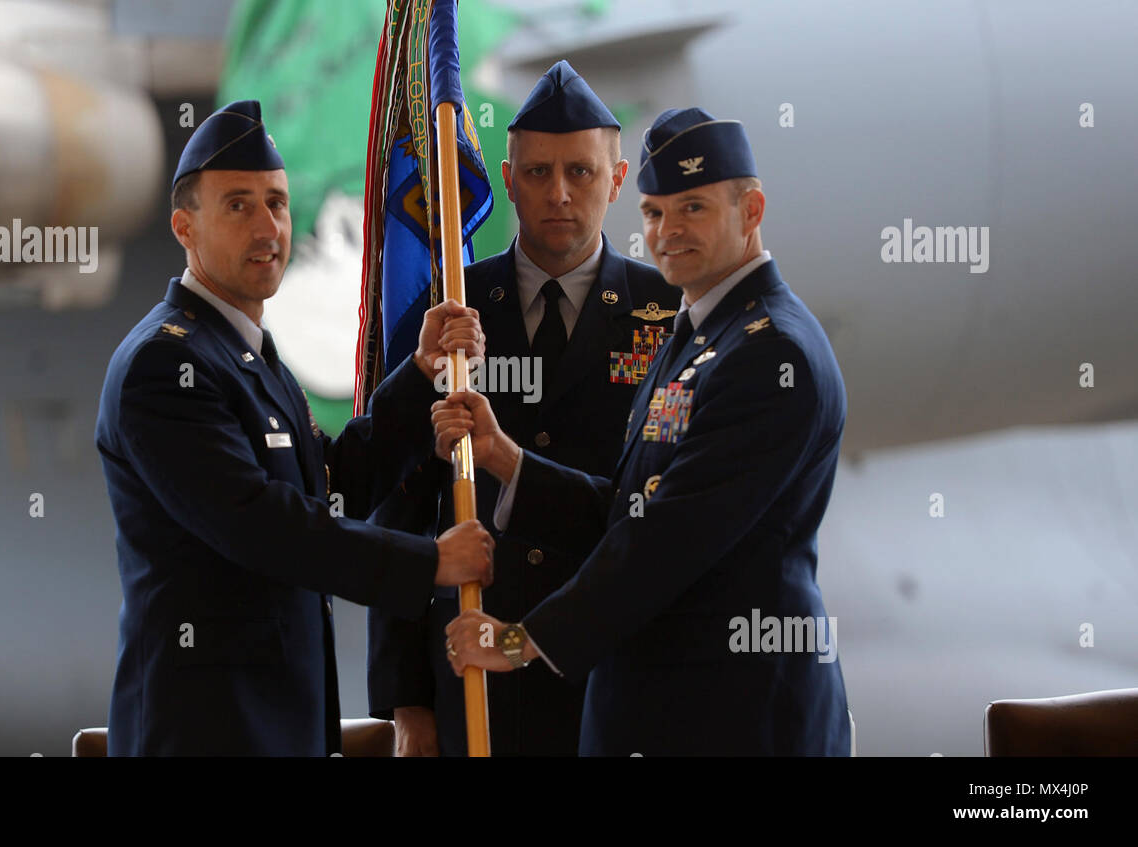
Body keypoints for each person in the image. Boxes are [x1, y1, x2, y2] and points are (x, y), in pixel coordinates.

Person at [436, 107, 851, 755]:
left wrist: (520, 641)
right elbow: (634, 508)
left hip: (739, 715)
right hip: (670, 710)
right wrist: (506, 459)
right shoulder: (702, 332)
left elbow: (671, 538)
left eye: (693, 209)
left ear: (753, 210)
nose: (667, 232)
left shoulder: (772, 352)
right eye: (654, 213)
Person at [94, 100, 494, 756]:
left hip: (278, 723)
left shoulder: (248, 352)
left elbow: (330, 486)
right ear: (184, 226)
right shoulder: (164, 364)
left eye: (277, 204)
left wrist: (421, 375)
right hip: (205, 730)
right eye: (238, 205)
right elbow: (263, 526)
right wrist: (430, 564)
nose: (268, 227)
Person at [366, 61, 678, 756]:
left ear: (619, 181)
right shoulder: (450, 309)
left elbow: (662, 519)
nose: (559, 193)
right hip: (476, 680)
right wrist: (405, 699)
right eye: (536, 173)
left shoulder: (666, 317)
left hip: (613, 677)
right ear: (506, 180)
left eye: (581, 172)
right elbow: (404, 509)